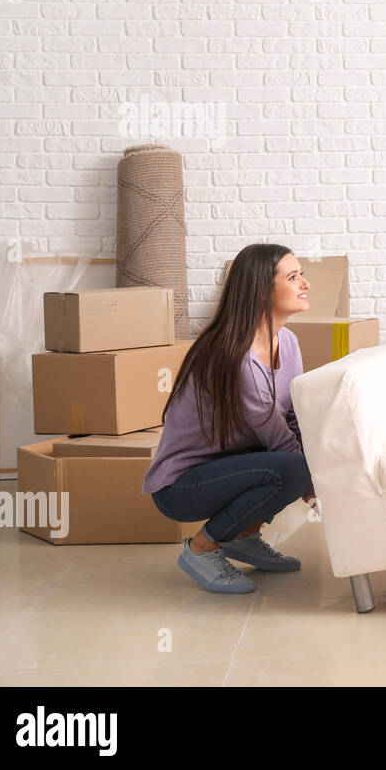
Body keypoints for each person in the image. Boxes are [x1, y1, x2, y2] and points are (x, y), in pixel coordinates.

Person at [142, 244, 316, 594]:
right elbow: (276, 436)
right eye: (293, 277)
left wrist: (317, 469)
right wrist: (314, 487)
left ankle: (243, 536)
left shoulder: (290, 342)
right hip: (183, 486)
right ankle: (202, 549)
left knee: (300, 463)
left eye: (301, 275)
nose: (306, 283)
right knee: (294, 468)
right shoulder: (235, 355)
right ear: (262, 290)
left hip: (230, 468)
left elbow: (294, 416)